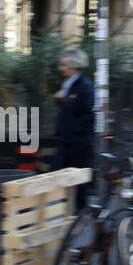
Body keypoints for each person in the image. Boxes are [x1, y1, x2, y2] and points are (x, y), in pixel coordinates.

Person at [53, 48, 96, 205]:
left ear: (74, 65)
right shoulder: (68, 84)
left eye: (64, 64)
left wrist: (75, 130)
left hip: (78, 142)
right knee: (58, 173)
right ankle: (64, 210)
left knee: (78, 181)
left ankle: (80, 213)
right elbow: (68, 109)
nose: (61, 68)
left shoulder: (85, 86)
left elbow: (89, 112)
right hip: (65, 139)